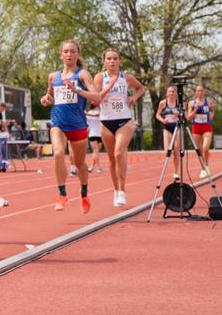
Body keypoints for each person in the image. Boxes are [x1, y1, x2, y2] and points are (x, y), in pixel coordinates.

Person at [82, 47, 144, 207]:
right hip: (106, 121)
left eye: (115, 58)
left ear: (119, 61)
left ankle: (122, 190)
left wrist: (134, 97)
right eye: (109, 58)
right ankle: (116, 190)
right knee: (111, 159)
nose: (112, 61)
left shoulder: (127, 77)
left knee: (118, 154)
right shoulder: (99, 77)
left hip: (124, 120)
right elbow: (95, 99)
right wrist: (110, 86)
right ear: (104, 61)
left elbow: (141, 88)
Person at [40, 40, 95, 213]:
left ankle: (84, 193)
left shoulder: (82, 75)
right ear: (61, 54)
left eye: (72, 51)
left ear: (78, 54)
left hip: (77, 125)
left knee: (79, 163)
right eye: (66, 51)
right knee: (57, 154)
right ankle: (62, 194)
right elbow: (50, 95)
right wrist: (46, 99)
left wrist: (76, 89)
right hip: (58, 123)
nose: (69, 54)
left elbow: (96, 96)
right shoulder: (53, 76)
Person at [155, 84, 186, 181]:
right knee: (167, 151)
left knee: (176, 151)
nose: (171, 93)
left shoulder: (180, 104)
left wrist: (179, 116)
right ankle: (173, 168)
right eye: (170, 91)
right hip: (167, 127)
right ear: (167, 94)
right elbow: (157, 115)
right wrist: (162, 120)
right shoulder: (163, 103)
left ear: (176, 94)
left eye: (173, 91)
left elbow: (185, 116)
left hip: (177, 127)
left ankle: (176, 172)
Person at [187, 84, 215, 178]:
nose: (200, 92)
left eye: (201, 90)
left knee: (205, 148)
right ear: (195, 92)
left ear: (204, 92)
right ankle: (203, 169)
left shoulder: (209, 102)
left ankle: (206, 166)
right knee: (199, 151)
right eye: (198, 91)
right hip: (196, 128)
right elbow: (189, 118)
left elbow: (212, 110)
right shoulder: (191, 103)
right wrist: (195, 110)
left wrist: (211, 116)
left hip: (206, 127)